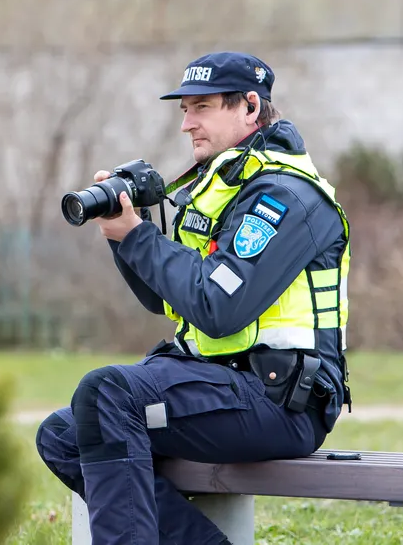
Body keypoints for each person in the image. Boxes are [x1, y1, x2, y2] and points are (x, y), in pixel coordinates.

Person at [35, 51, 352, 545]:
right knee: (63, 432)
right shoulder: (225, 188)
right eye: (184, 110)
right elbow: (166, 300)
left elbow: (218, 308)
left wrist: (140, 237)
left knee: (109, 394)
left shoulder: (286, 197)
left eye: (201, 107)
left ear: (250, 107)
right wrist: (123, 235)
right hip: (221, 386)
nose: (187, 124)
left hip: (281, 402)